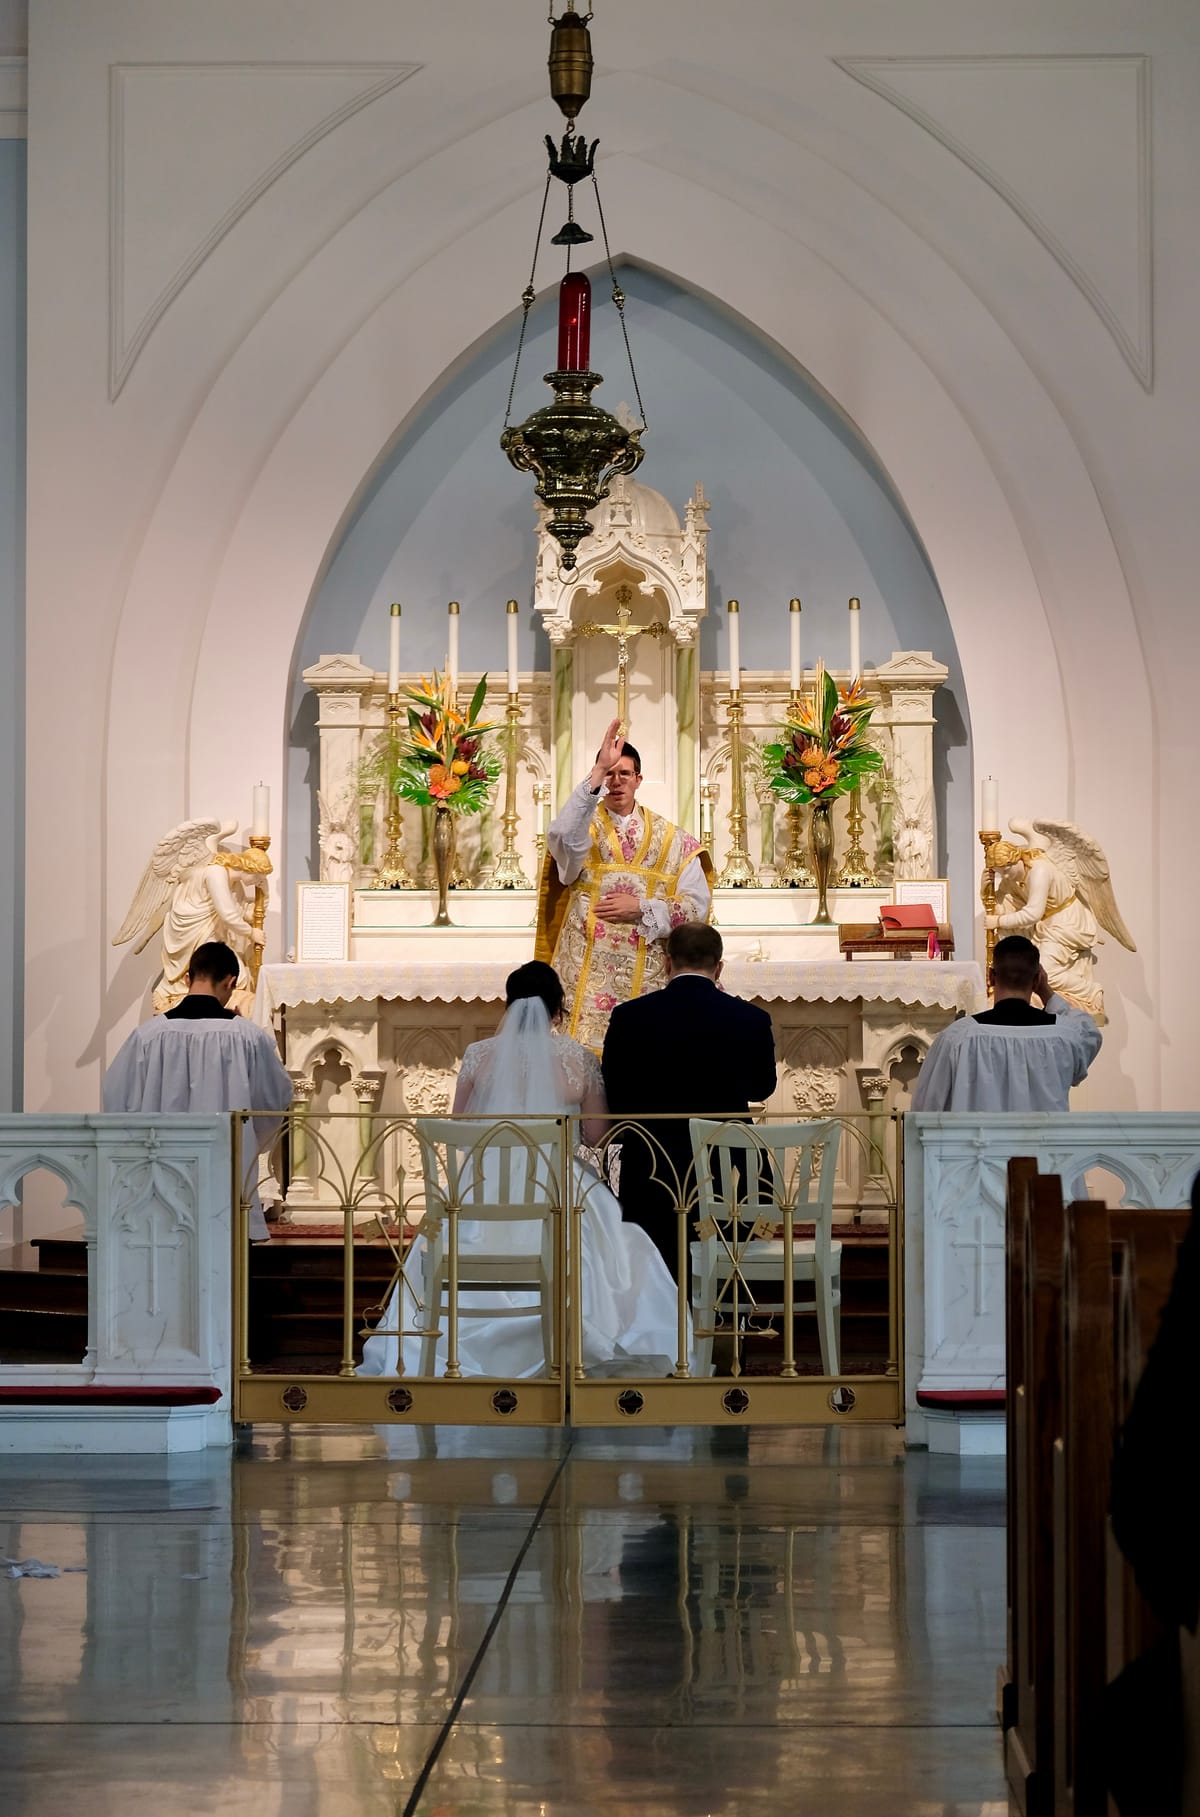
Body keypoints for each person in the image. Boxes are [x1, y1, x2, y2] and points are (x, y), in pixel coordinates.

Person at [359, 960, 684, 1380]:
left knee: (447, 1234)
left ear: (508, 1004)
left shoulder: (478, 1055)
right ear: (558, 1007)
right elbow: (597, 1134)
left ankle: (446, 1352)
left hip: (482, 1191)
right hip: (557, 1188)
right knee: (619, 1244)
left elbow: (460, 1128)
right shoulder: (578, 1059)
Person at [601, 923, 778, 1282]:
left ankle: (658, 1321)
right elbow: (762, 1087)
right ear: (719, 966)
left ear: (667, 964)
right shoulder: (751, 1019)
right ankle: (724, 1314)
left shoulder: (628, 1017)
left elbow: (615, 1094)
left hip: (651, 1168)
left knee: (654, 1252)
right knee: (729, 1236)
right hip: (727, 1173)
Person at [535, 719, 714, 1052]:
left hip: (647, 975)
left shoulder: (672, 839)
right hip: (584, 973)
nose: (616, 782)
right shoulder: (581, 831)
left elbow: (696, 906)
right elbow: (560, 836)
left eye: (624, 774)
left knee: (640, 1065)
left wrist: (643, 908)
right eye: (609, 774)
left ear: (638, 780)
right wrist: (597, 769)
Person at [102, 940, 292, 1239]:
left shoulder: (148, 1036)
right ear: (230, 983)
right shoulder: (248, 1037)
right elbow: (273, 1099)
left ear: (187, 979)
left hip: (161, 1170)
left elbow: (117, 1100)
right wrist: (251, 1138)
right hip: (227, 1165)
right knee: (227, 1247)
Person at [911, 932, 1101, 1113]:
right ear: (1036, 980)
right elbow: (1090, 1033)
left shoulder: (958, 1038)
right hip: (1043, 1147)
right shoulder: (1064, 1036)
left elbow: (927, 1107)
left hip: (979, 1146)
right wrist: (1046, 992)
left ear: (991, 977)